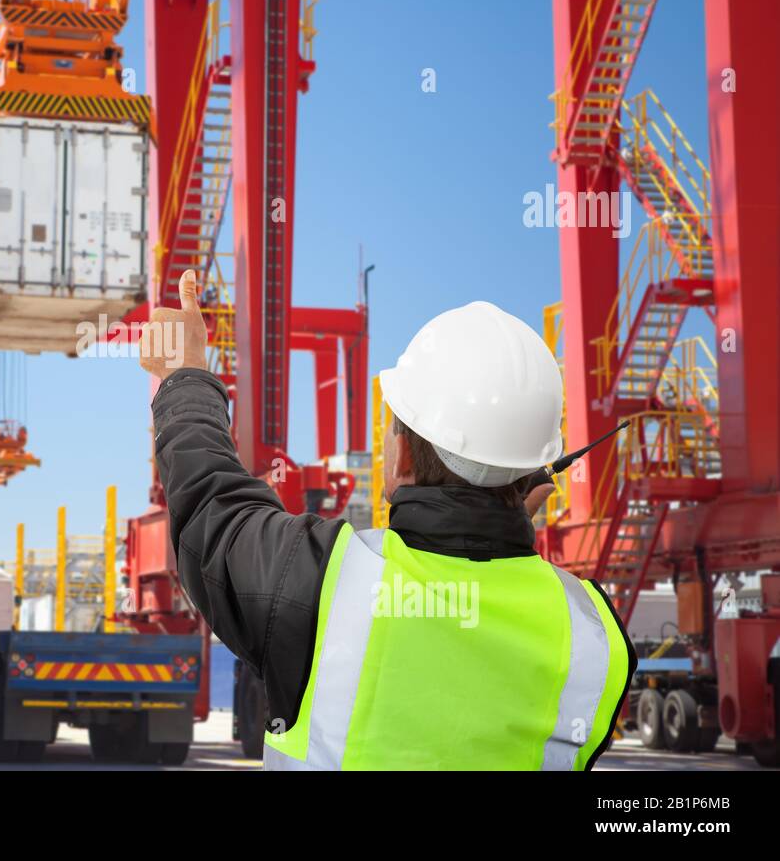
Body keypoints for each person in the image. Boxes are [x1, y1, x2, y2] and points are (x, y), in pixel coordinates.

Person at [138, 270, 635, 770]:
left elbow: (209, 503)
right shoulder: (593, 631)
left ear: (402, 460)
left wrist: (186, 374)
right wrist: (493, 532)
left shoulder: (321, 582)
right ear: (535, 473)